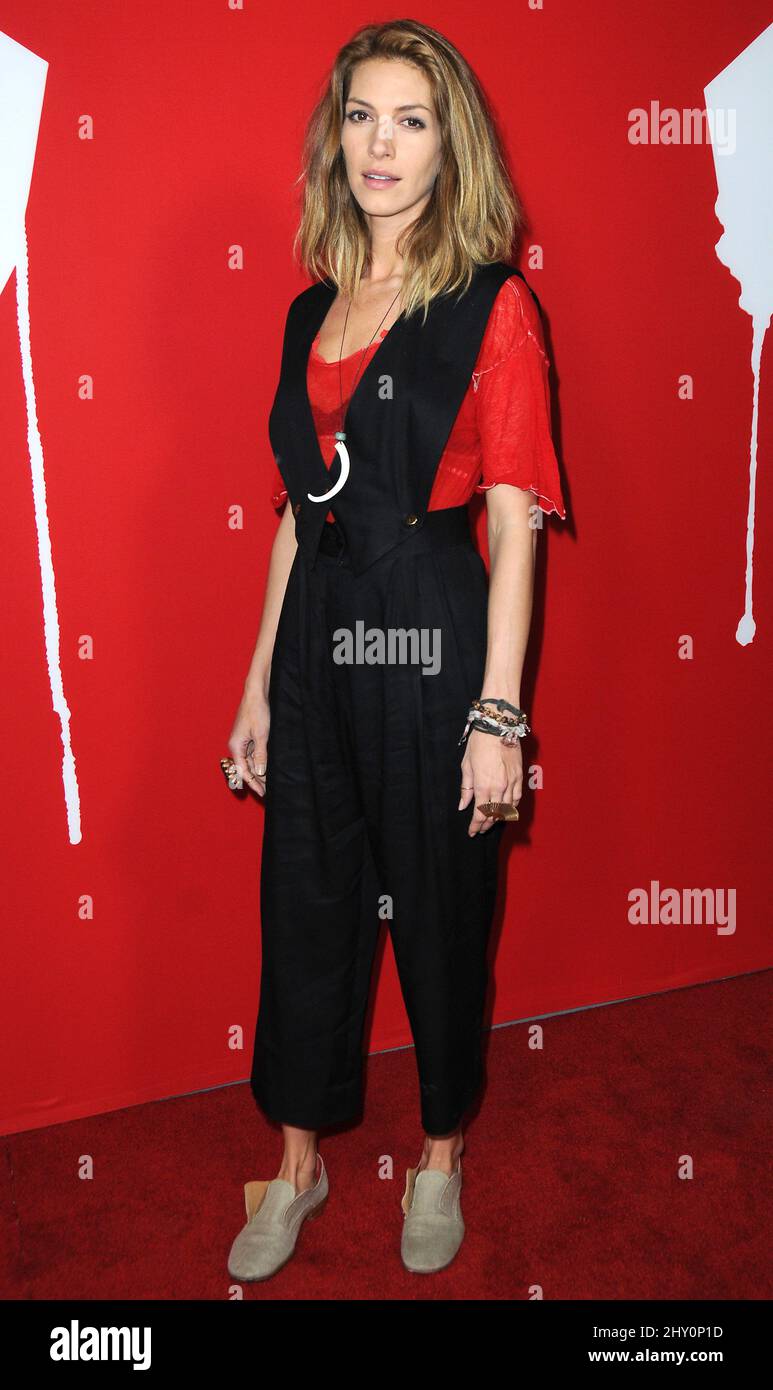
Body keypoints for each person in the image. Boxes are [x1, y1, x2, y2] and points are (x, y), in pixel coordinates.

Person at [226, 18, 566, 1282]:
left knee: (435, 904)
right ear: (337, 137)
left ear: (447, 143)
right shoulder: (307, 308)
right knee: (305, 899)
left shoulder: (492, 303)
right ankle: (298, 1162)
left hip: (431, 626)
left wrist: (495, 715)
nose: (380, 142)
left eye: (410, 119)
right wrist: (259, 683)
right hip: (316, 634)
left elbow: (514, 515)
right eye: (361, 115)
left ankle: (437, 1153)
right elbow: (292, 514)